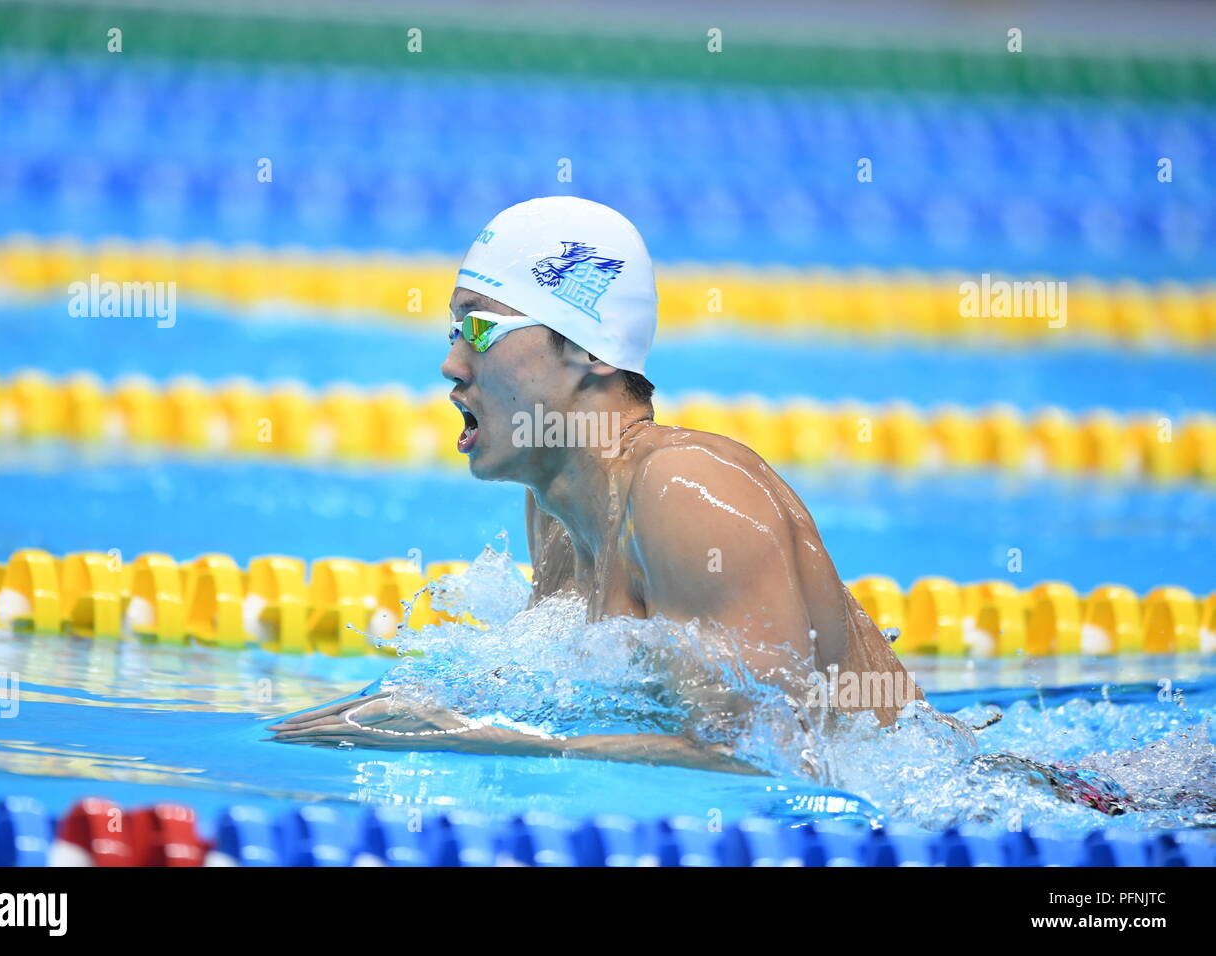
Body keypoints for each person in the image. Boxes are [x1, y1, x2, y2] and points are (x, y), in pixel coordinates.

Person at [270, 196, 923, 774]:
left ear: (590, 349)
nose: (450, 364)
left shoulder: (683, 489)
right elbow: (572, 694)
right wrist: (424, 707)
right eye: (452, 330)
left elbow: (781, 758)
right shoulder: (558, 505)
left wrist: (478, 737)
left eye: (478, 328)